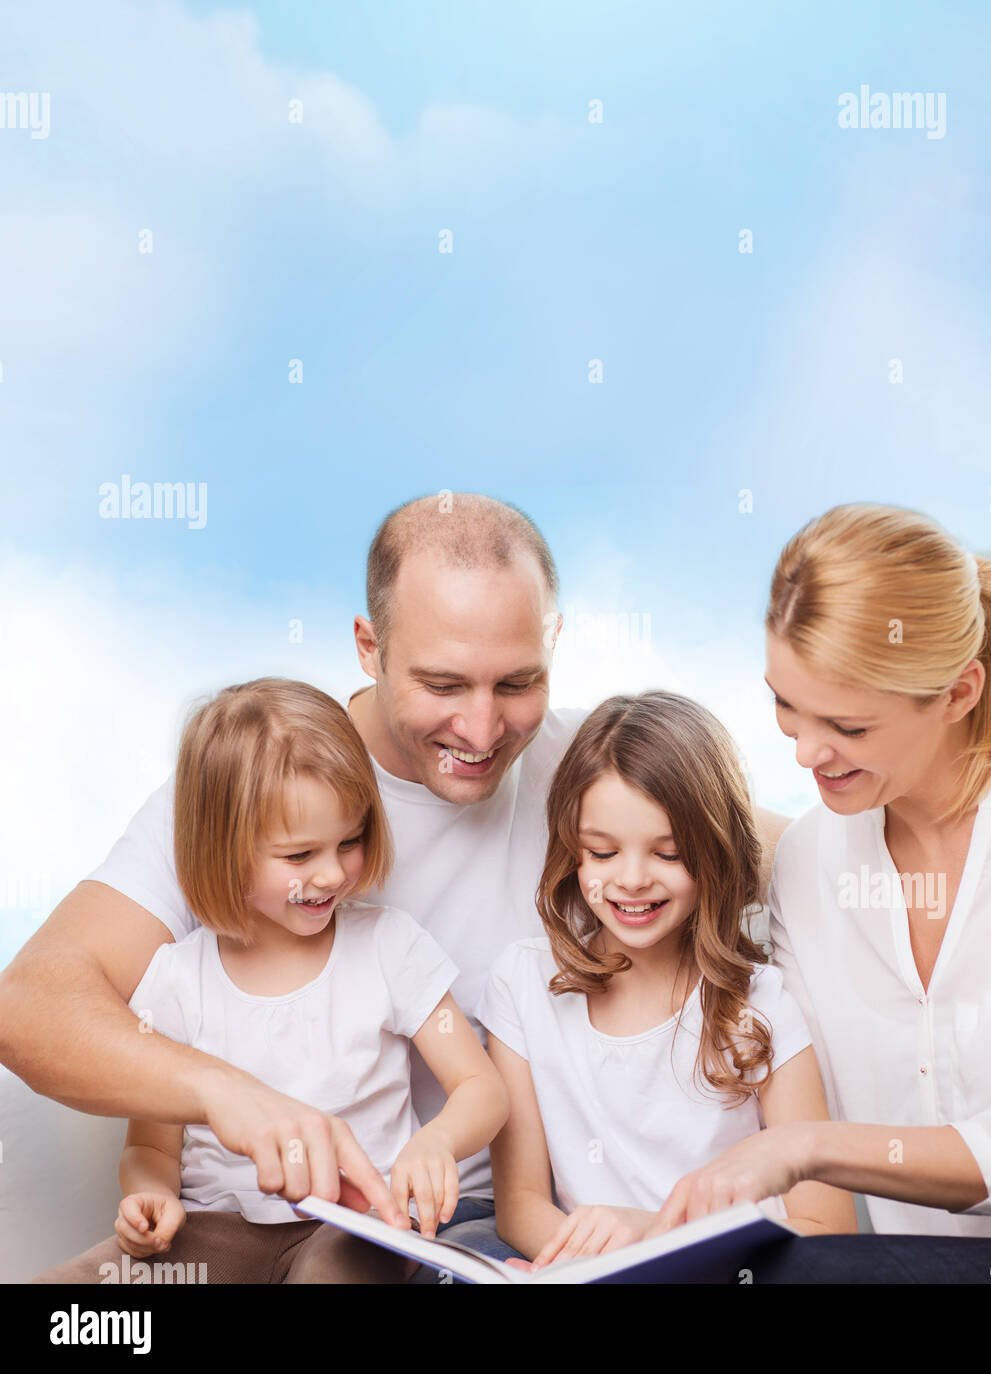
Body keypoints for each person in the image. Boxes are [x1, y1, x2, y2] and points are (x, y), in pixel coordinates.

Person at [0, 492, 789, 1266]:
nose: (482, 731)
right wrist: (224, 1093)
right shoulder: (250, 785)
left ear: (552, 642)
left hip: (454, 1224)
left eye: (517, 683)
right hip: (232, 1219)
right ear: (367, 647)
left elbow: (777, 845)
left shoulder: (595, 772)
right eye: (442, 685)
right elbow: (30, 1006)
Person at [647, 503, 991, 1283]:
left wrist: (803, 1145)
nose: (805, 751)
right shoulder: (810, 860)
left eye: (848, 725)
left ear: (959, 692)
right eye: (784, 705)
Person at [33, 679, 507, 1283]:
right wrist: (148, 1197)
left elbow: (481, 1087)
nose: (332, 872)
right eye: (299, 855)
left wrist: (436, 1142)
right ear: (224, 850)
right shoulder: (177, 980)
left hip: (359, 1228)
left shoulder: (392, 948)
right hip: (214, 1230)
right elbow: (152, 1146)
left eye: (350, 841)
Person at [480, 692, 856, 1272]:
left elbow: (824, 1226)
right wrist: (583, 1267)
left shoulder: (762, 1005)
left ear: (715, 852)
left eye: (669, 853)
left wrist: (653, 1240)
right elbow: (522, 1206)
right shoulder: (523, 983)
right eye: (602, 852)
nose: (631, 880)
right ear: (571, 851)